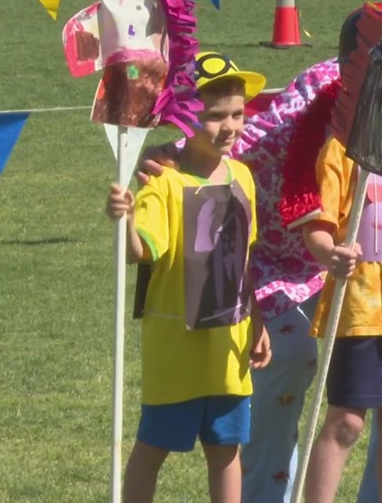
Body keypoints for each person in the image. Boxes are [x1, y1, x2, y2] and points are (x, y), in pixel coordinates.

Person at [138, 0, 382, 503]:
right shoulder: (340, 87)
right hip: (298, 265)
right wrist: (176, 159)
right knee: (301, 383)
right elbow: (248, 134)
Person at [106, 52, 273, 503]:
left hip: (229, 347)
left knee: (226, 449)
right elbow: (141, 252)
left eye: (237, 114)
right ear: (184, 118)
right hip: (176, 348)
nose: (229, 126)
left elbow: (242, 259)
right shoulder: (163, 181)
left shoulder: (242, 177)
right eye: (215, 116)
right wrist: (122, 220)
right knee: (153, 447)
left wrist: (257, 321)